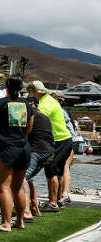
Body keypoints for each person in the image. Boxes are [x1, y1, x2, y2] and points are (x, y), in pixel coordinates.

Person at [0, 77, 34, 232]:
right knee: (18, 188)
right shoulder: (27, 105)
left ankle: (6, 223)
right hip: (24, 148)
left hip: (6, 148)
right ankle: (20, 221)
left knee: (4, 188)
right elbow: (30, 128)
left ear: (5, 86)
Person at [28, 80, 73, 212]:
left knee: (51, 169)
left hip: (59, 140)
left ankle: (53, 203)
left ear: (35, 92)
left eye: (31, 93)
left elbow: (36, 118)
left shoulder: (46, 103)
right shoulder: (48, 100)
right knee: (57, 170)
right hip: (63, 139)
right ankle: (56, 200)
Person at [22, 94, 54, 218]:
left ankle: (26, 212)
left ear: (30, 104)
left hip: (38, 150)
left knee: (21, 179)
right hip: (49, 152)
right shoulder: (44, 115)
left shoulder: (31, 114)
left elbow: (26, 132)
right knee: (29, 179)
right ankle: (35, 208)